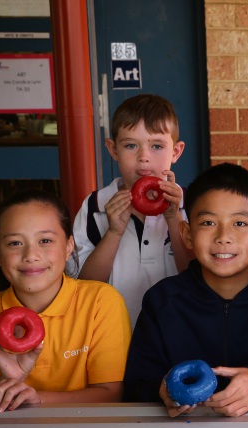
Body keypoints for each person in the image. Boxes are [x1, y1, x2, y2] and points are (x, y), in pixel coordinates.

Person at [123, 163, 248, 418]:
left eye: (240, 223)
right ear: (187, 234)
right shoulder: (163, 302)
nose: (224, 236)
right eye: (209, 222)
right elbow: (134, 386)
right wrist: (161, 390)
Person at [0, 190, 131, 412]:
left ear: (68, 246)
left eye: (45, 240)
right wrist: (9, 378)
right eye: (15, 243)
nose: (31, 255)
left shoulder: (100, 302)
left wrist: (37, 399)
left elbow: (111, 395)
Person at [71, 94, 189, 327]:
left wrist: (174, 219)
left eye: (156, 146)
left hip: (179, 330)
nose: (143, 157)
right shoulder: (96, 207)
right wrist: (114, 232)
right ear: (113, 150)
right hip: (112, 333)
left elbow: (198, 276)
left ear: (175, 152)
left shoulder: (192, 205)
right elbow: (83, 285)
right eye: (130, 145)